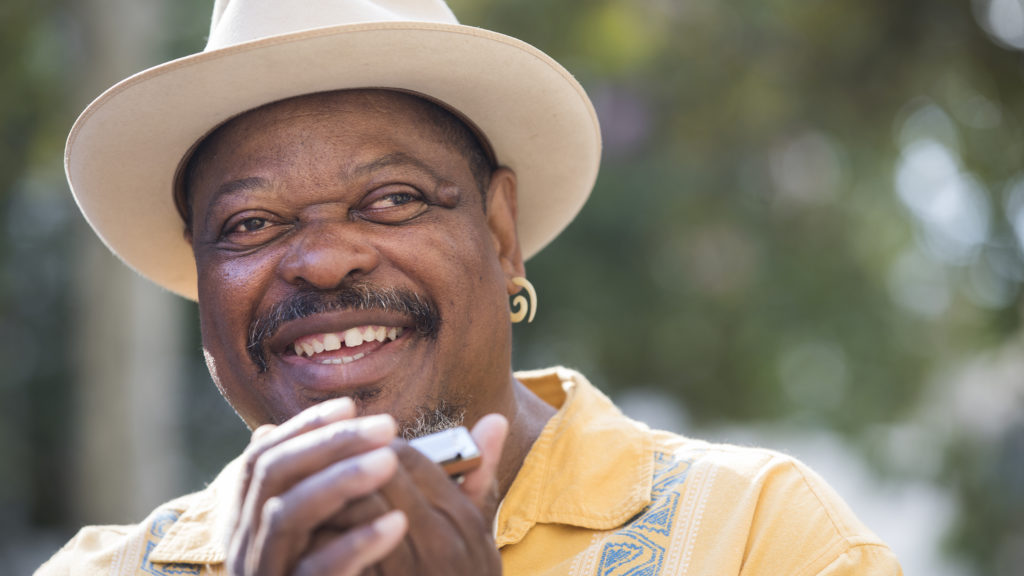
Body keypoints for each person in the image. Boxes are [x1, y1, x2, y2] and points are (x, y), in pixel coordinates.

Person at [39, 0, 903, 574]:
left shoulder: (760, 537)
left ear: (499, 233)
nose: (324, 260)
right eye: (251, 225)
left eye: (393, 199)